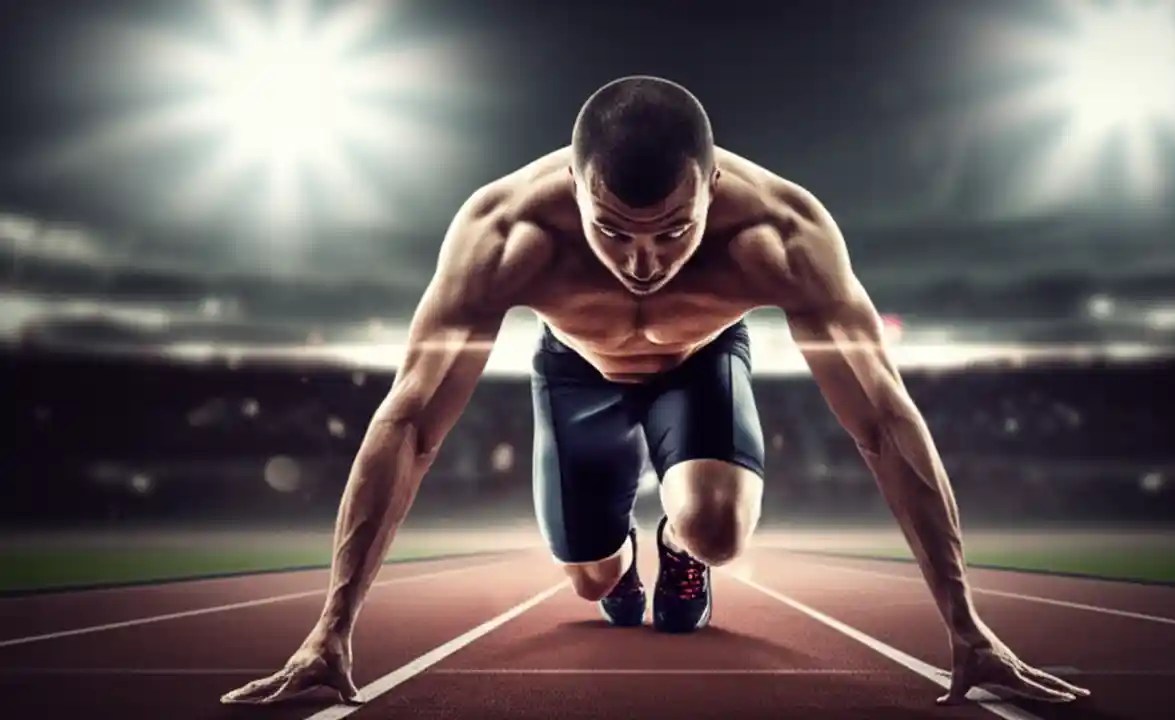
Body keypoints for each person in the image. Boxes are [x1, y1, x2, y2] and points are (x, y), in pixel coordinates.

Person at [222, 75, 1090, 707]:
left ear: (714, 188)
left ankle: (681, 544)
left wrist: (966, 625)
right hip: (575, 378)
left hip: (701, 365)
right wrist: (331, 627)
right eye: (612, 231)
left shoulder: (782, 235)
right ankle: (621, 566)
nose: (643, 263)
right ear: (573, 184)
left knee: (719, 531)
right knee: (595, 585)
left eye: (674, 230)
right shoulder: (504, 233)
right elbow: (409, 424)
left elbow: (882, 421)